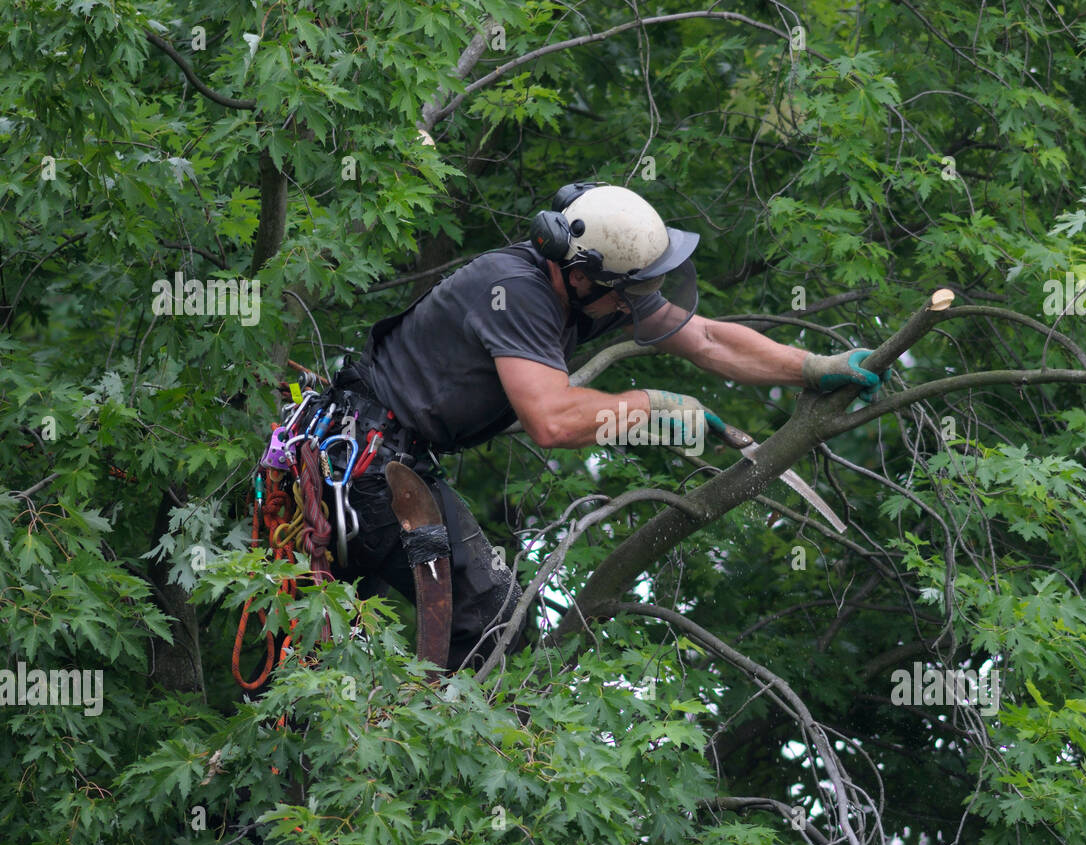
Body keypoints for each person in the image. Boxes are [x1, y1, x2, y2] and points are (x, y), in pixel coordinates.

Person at [323, 182, 886, 670]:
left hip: (380, 461)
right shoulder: (516, 292)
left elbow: (707, 338)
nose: (636, 304)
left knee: (369, 634)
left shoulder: (597, 291)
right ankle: (458, 755)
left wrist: (813, 367)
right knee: (494, 626)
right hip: (368, 467)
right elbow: (551, 419)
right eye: (629, 291)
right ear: (581, 275)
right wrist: (651, 404)